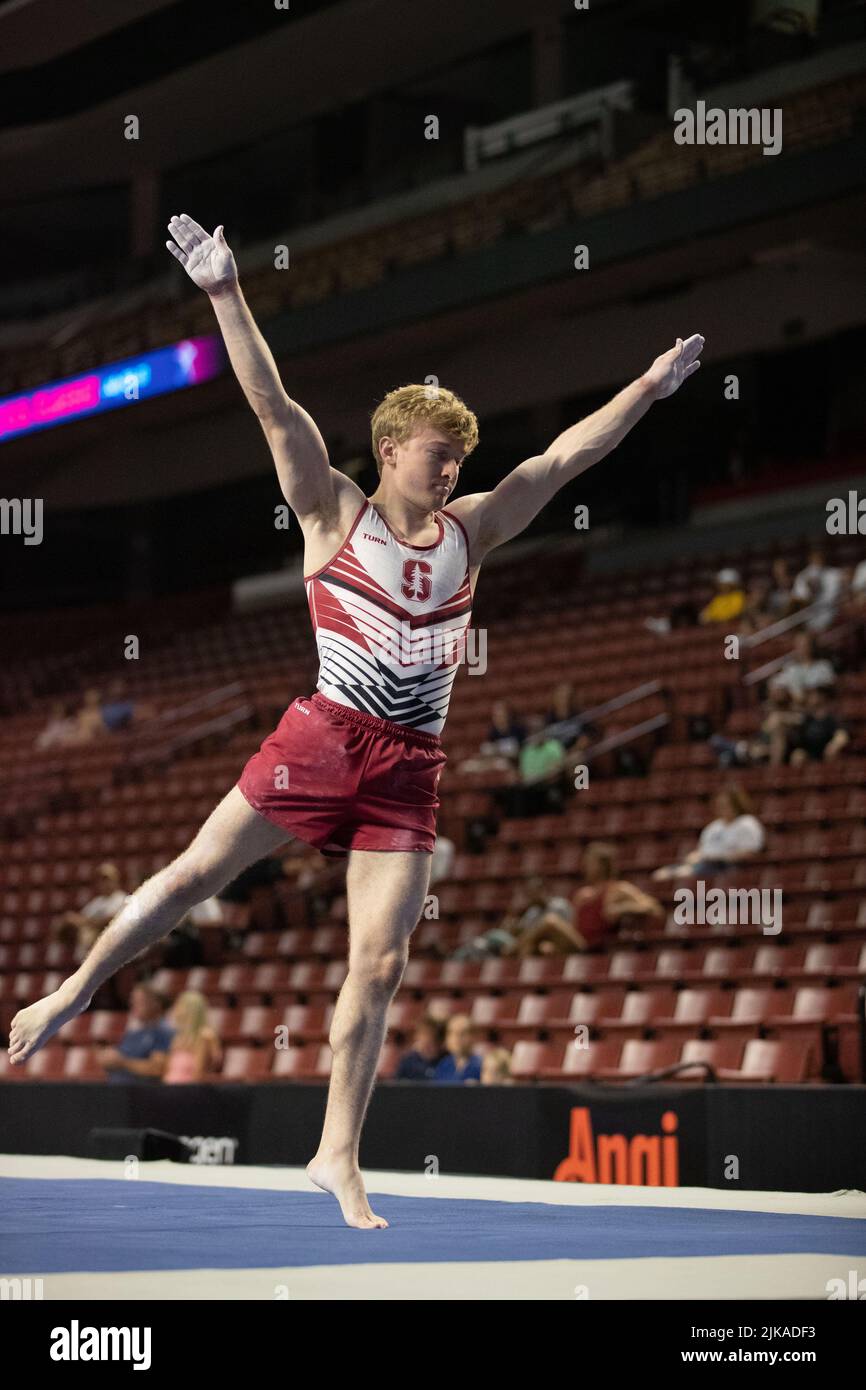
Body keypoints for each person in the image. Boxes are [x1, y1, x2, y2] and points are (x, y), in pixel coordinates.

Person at [8, 212, 704, 1229]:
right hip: (320, 736)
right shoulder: (335, 512)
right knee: (197, 877)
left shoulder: (473, 531)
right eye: (436, 454)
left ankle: (337, 1152)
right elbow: (270, 405)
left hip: (407, 768)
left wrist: (644, 389)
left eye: (459, 460)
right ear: (387, 447)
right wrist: (223, 293)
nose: (451, 472)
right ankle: (73, 988)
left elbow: (560, 461)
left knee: (378, 962)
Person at [511, 842, 664, 956]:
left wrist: (623, 908)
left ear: (603, 865)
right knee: (540, 948)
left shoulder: (618, 889)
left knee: (550, 922)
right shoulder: (583, 893)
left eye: (590, 862)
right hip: (577, 943)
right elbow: (573, 927)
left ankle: (511, 953)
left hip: (593, 948)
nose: (585, 866)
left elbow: (654, 909)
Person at [450, 876, 574, 960]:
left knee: (495, 936)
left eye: (533, 892)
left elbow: (563, 931)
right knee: (482, 944)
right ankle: (455, 958)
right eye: (528, 893)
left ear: (543, 889)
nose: (530, 896)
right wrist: (510, 923)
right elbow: (520, 931)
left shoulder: (559, 905)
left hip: (544, 945)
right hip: (523, 944)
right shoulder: (533, 911)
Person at [653, 788, 764, 880]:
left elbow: (751, 852)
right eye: (720, 805)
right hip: (704, 864)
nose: (723, 808)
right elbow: (703, 851)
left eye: (726, 805)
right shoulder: (714, 827)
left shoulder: (747, 823)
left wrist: (719, 857)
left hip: (727, 867)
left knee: (686, 875)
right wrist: (694, 856)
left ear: (736, 804)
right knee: (660, 874)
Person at [98, 983, 174, 1084]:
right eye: (132, 1000)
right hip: (119, 1090)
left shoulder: (164, 1031)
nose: (133, 1004)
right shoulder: (133, 1032)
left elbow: (157, 1069)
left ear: (155, 1003)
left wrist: (123, 1063)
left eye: (139, 1001)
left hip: (142, 1094)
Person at [52, 863, 128, 962]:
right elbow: (80, 924)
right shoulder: (96, 903)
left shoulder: (122, 898)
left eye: (107, 879)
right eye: (101, 880)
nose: (104, 883)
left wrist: (79, 921)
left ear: (116, 880)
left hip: (111, 958)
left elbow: (112, 920)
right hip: (88, 960)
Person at [163, 991, 222, 1083]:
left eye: (179, 1006)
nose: (176, 1010)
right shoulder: (178, 1037)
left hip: (189, 1091)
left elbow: (199, 1074)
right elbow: (168, 1070)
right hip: (169, 1088)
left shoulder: (204, 1037)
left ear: (190, 1010)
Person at [788, 687, 849, 766]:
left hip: (827, 749)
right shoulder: (807, 718)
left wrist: (834, 745)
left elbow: (842, 734)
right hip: (809, 750)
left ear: (822, 697)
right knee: (798, 755)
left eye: (812, 695)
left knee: (832, 751)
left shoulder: (832, 716)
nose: (809, 698)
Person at [770, 632, 836, 705]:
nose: (802, 648)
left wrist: (810, 692)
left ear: (812, 646)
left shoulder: (823, 665)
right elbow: (776, 683)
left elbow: (829, 687)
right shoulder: (790, 667)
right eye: (799, 645)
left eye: (805, 644)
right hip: (795, 707)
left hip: (818, 707)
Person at [792, 547, 843, 631]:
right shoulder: (803, 576)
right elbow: (799, 598)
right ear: (810, 559)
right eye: (815, 558)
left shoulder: (834, 573)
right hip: (810, 613)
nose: (818, 560)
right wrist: (811, 591)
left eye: (820, 557)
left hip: (831, 611)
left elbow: (837, 595)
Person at [433, 1015, 483, 1083]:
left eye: (463, 1033)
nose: (457, 1038)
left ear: (473, 1037)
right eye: (452, 1033)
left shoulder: (482, 1066)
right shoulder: (443, 1065)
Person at [394, 1016, 446, 1080]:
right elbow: (397, 1085)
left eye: (428, 1034)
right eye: (421, 1034)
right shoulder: (408, 1061)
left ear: (438, 1039)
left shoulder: (447, 1061)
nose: (424, 1039)